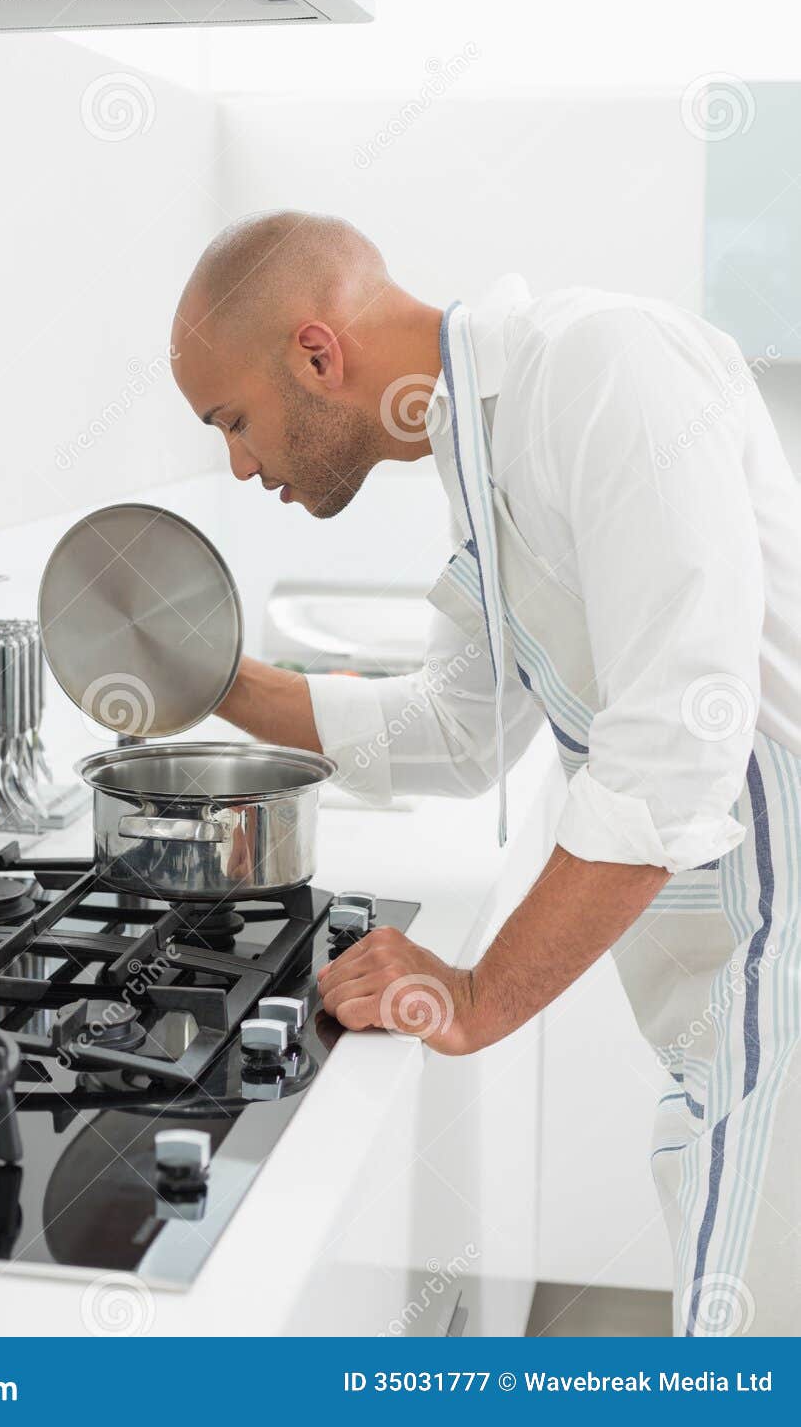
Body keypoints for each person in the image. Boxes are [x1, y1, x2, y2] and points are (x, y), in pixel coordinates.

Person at [170, 209, 801, 1337]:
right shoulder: (480, 453)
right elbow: (455, 731)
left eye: (232, 420)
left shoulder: (598, 368)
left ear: (316, 354)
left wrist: (477, 994)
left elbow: (674, 747)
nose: (236, 460)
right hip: (719, 975)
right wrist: (205, 673)